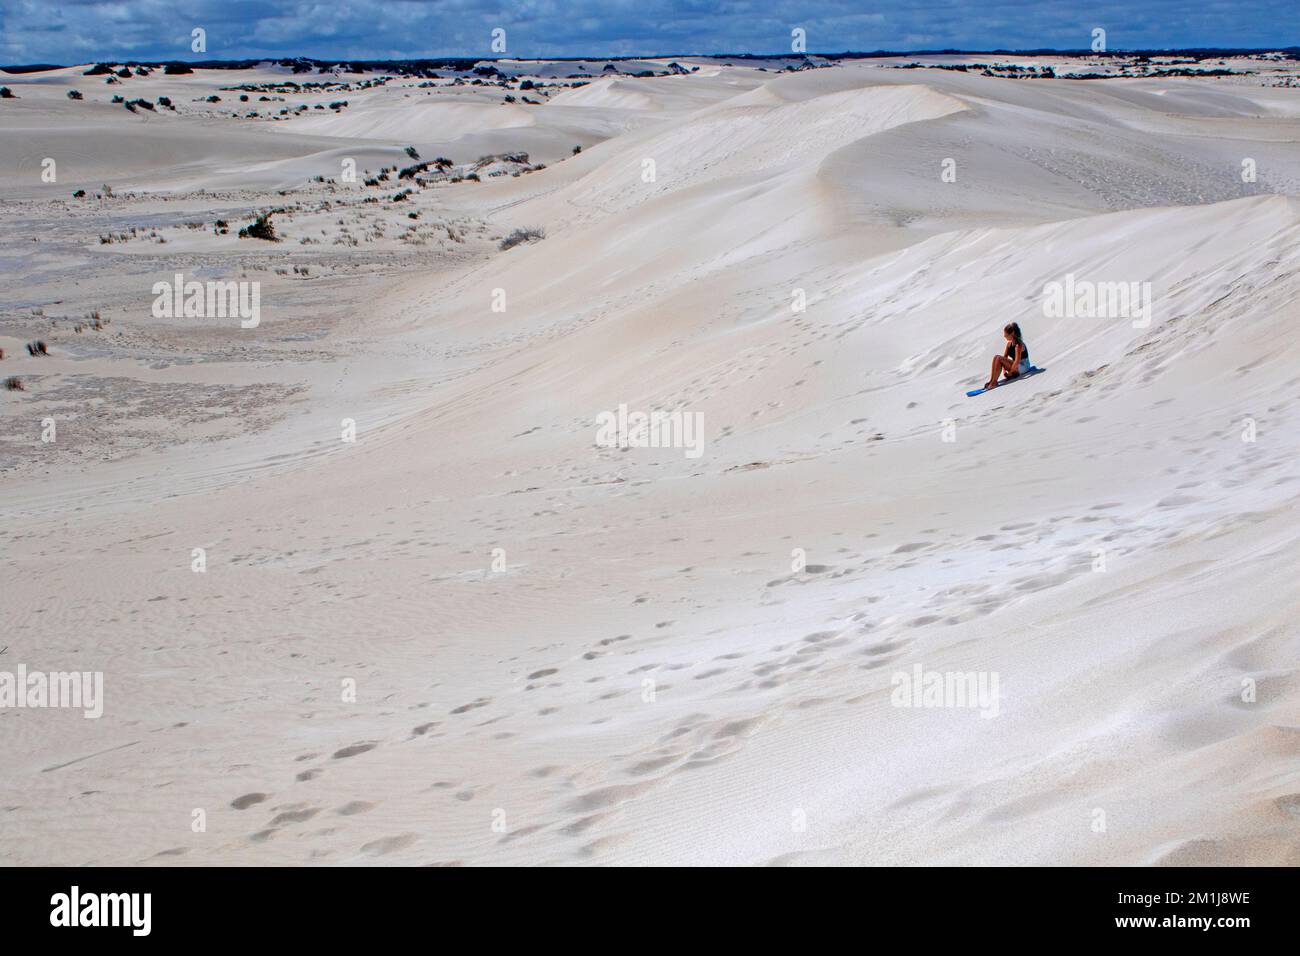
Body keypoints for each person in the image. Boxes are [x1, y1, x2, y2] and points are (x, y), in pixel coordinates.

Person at [985, 322, 1030, 390]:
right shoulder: (1009, 344)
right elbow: (1004, 358)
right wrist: (1004, 371)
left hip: (1023, 366)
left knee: (999, 358)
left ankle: (994, 382)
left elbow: (1017, 361)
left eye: (1006, 334)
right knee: (996, 357)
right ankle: (992, 380)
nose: (1004, 336)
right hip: (1016, 365)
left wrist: (1010, 373)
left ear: (1012, 334)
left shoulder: (1018, 345)